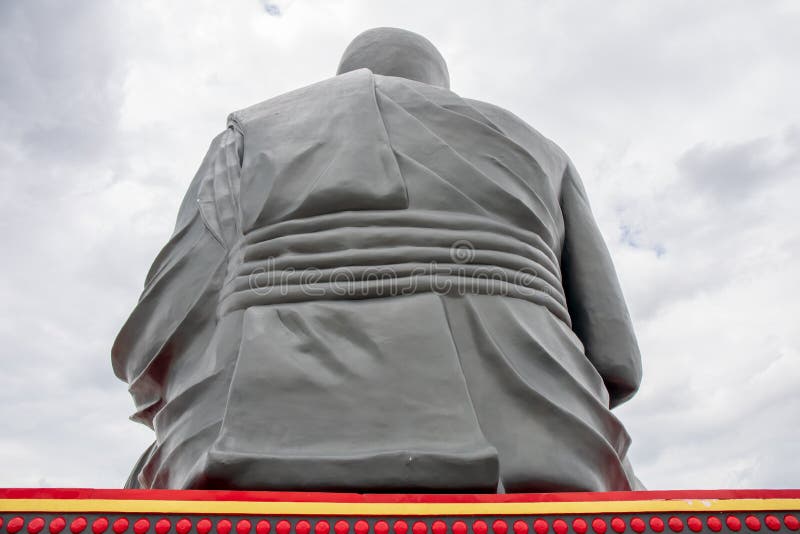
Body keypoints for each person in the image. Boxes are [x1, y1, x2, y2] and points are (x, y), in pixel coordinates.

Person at [113, 27, 643, 492]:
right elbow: (617, 360)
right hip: (547, 445)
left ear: (342, 73)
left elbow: (167, 322)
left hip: (244, 437)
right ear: (441, 82)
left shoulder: (246, 133)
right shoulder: (542, 151)